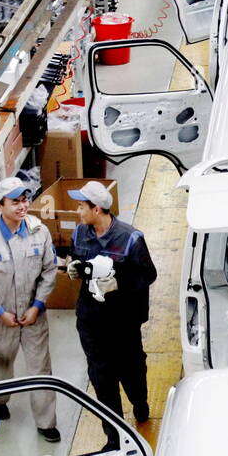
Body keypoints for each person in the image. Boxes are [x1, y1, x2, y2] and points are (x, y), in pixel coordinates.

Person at [0, 177, 60, 442]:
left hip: (33, 317)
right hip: (1, 318)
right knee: (0, 362)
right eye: (15, 202)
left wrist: (37, 306)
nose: (23, 206)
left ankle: (46, 422)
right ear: (0, 205)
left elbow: (49, 272)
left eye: (25, 200)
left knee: (40, 368)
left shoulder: (38, 232)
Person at [66, 181, 158, 422]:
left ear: (96, 209)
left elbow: (149, 275)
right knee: (100, 375)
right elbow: (74, 257)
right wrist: (73, 268)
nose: (77, 211)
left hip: (123, 321)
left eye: (81, 206)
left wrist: (118, 283)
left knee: (131, 369)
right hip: (91, 319)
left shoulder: (130, 239)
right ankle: (114, 431)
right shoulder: (79, 233)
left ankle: (139, 402)